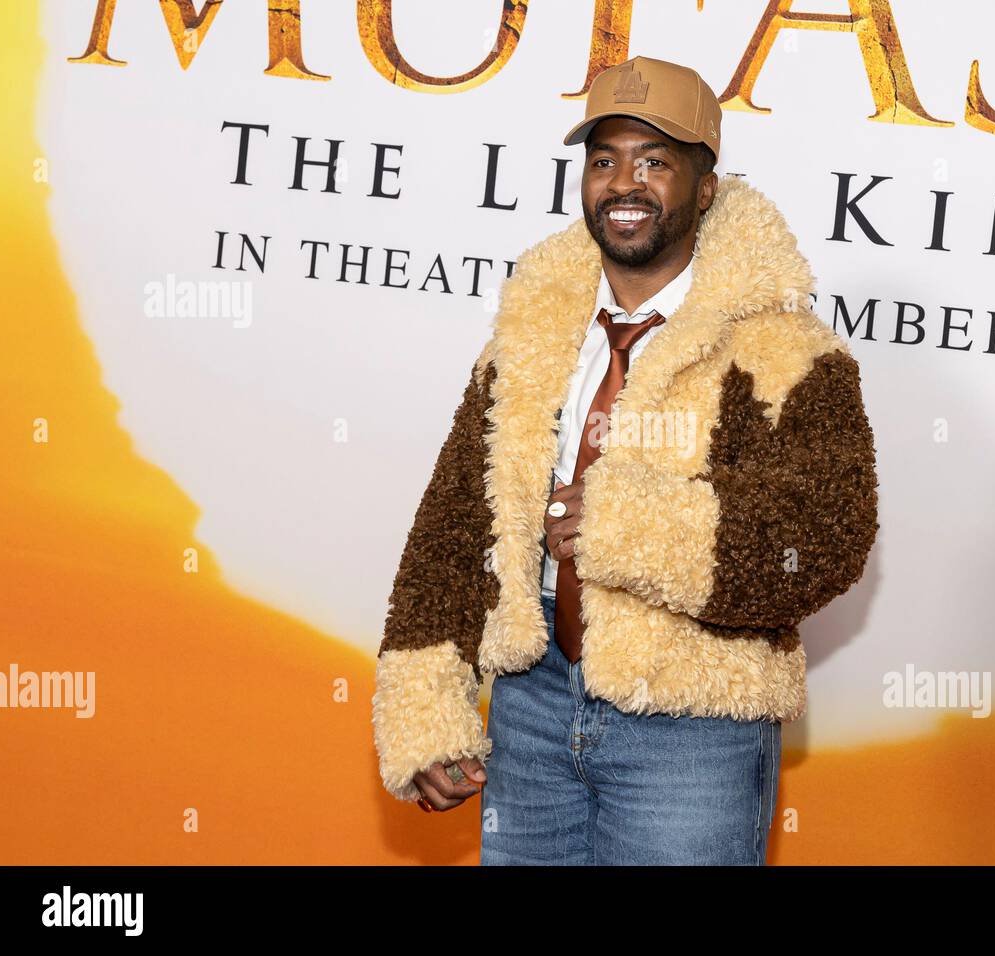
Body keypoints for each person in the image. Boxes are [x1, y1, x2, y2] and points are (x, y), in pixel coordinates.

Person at [372, 55, 879, 865]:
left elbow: (825, 534)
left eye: (654, 162)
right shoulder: (532, 333)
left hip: (694, 726)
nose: (624, 183)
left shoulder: (784, 349)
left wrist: (624, 526)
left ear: (705, 187)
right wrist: (427, 704)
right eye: (604, 161)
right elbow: (454, 524)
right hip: (530, 708)